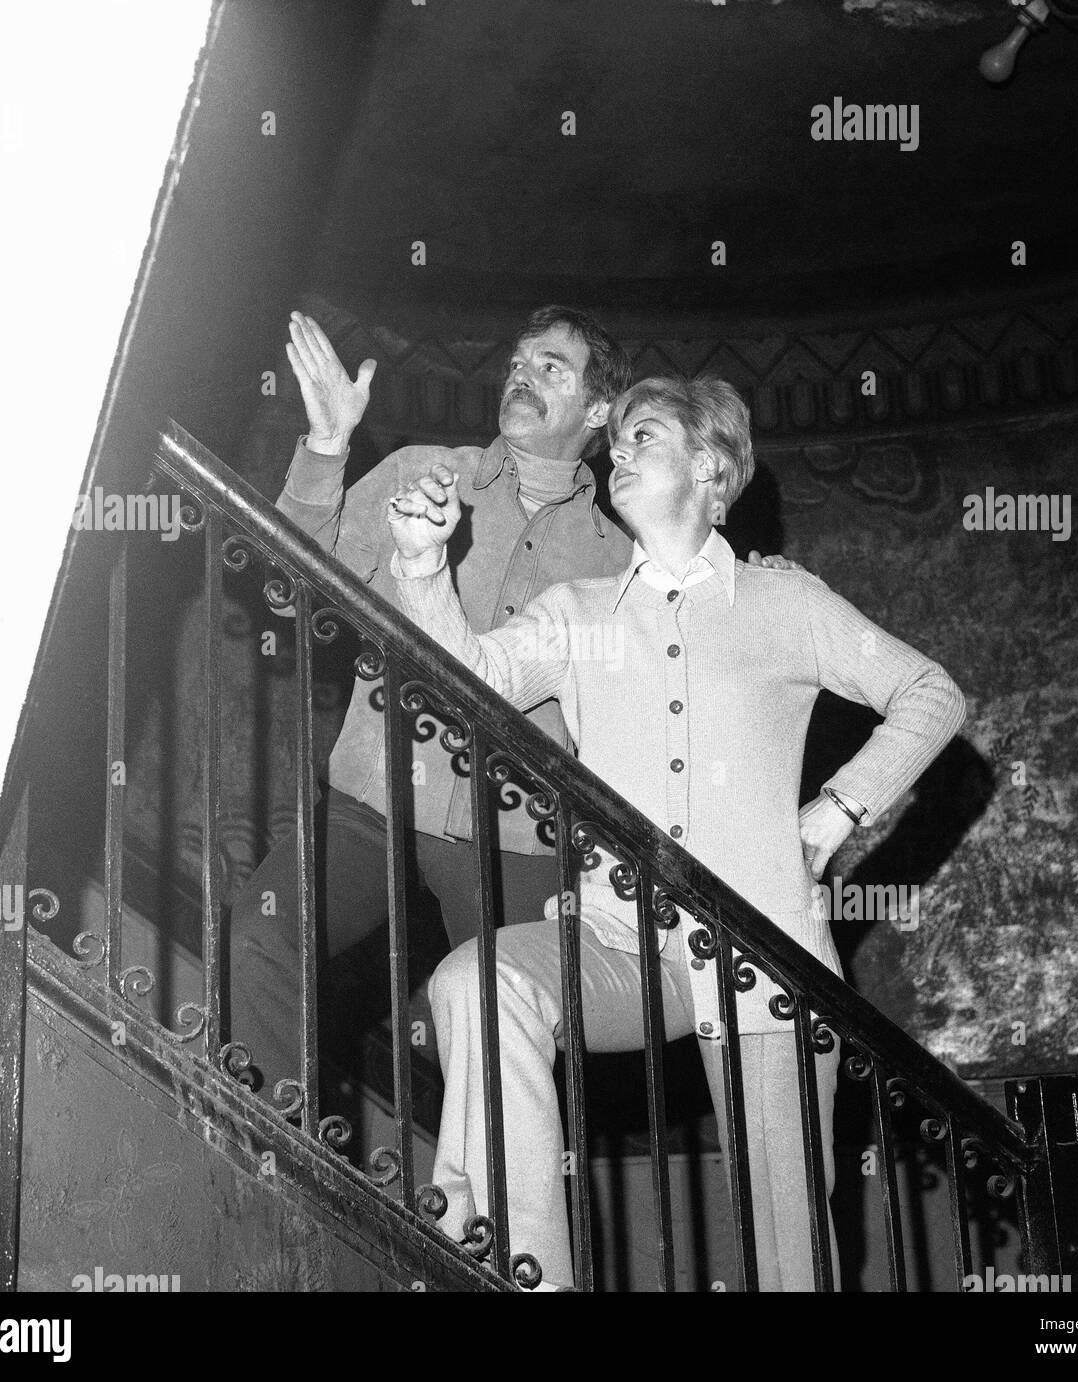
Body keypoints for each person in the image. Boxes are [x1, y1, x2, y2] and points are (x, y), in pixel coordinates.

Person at [386, 374, 967, 1290]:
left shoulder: (786, 603)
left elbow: (931, 694)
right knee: (477, 982)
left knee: (786, 1251)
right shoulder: (578, 614)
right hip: (620, 940)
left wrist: (841, 807)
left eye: (643, 436)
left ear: (707, 465)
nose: (617, 451)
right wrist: (423, 567)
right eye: (617, 440)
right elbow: (470, 681)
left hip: (765, 961)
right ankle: (524, 1273)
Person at [229, 307, 791, 1094]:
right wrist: (325, 446)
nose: (522, 374)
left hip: (519, 836)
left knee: (506, 1030)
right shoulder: (420, 470)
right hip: (373, 797)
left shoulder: (623, 555)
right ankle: (276, 1167)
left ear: (599, 412)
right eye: (518, 362)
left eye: (551, 367)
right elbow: (283, 588)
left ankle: (489, 1211)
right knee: (262, 934)